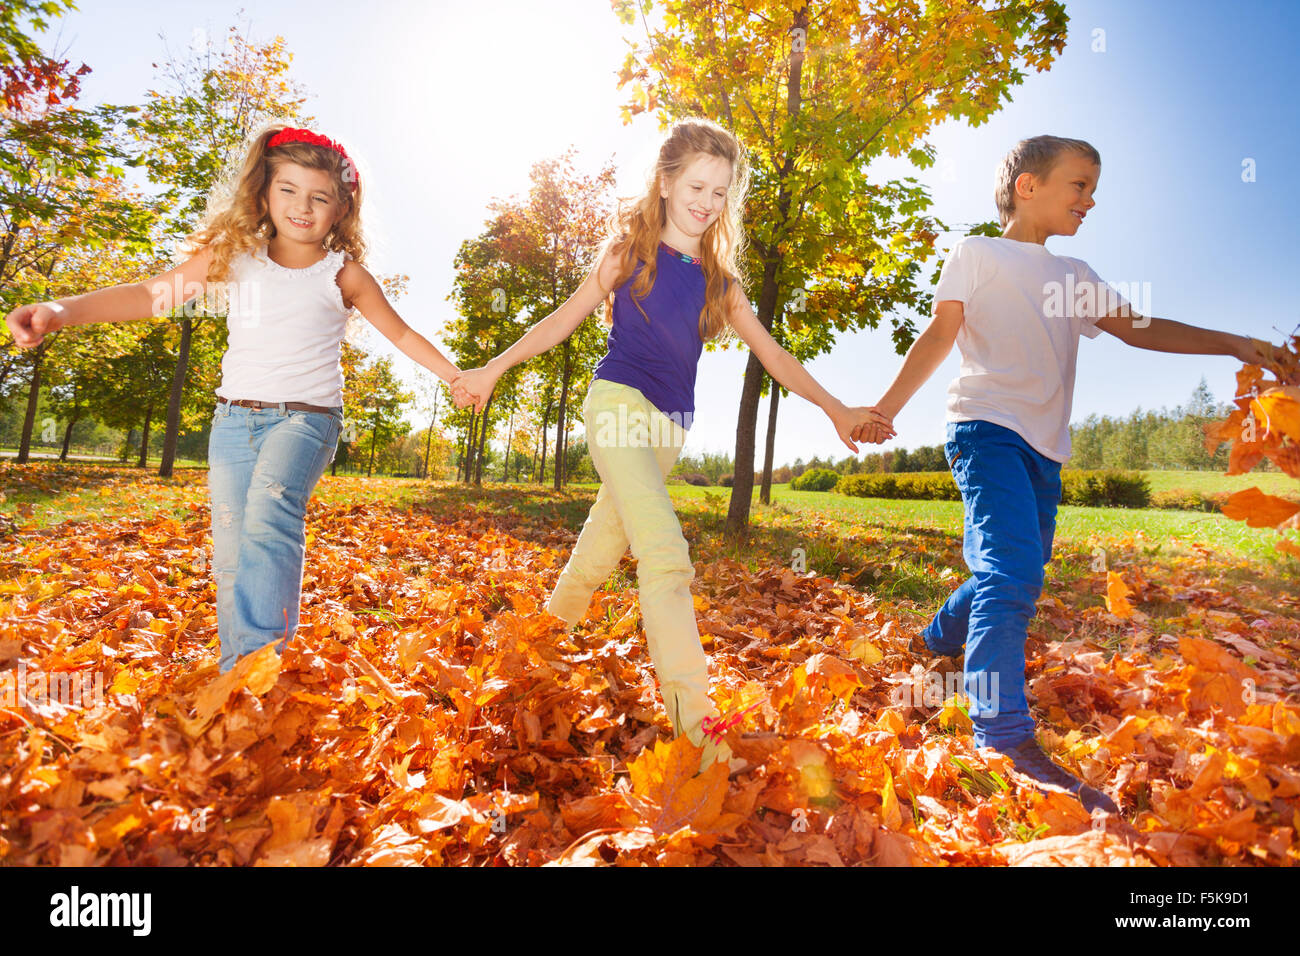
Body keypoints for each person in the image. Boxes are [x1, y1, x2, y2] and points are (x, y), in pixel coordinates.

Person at [452, 117, 891, 771]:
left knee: (598, 553)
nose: (707, 202)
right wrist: (492, 369)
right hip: (618, 408)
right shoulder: (628, 253)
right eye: (697, 185)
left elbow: (773, 354)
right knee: (665, 557)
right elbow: (560, 320)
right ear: (664, 182)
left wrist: (834, 407)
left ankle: (532, 650)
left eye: (721, 192)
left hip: (669, 433)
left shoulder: (720, 281)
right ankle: (701, 738)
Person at [854, 134, 1273, 814]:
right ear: (1027, 185)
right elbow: (939, 333)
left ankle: (933, 640)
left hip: (1045, 448)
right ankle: (1003, 736)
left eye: (1092, 187)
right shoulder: (977, 254)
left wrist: (1230, 342)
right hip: (984, 428)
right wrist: (885, 409)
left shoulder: (1073, 274)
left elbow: (1140, 327)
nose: (1091, 198)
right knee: (1012, 573)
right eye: (1078, 184)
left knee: (1016, 569)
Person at [4, 123, 468, 673]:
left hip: (307, 418)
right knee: (230, 546)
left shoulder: (344, 275)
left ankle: (258, 673)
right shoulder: (236, 258)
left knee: (271, 515)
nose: (303, 206)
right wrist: (61, 312)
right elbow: (153, 295)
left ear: (341, 209)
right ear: (264, 194)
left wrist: (458, 376)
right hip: (233, 420)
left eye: (320, 197)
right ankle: (236, 671)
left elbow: (404, 335)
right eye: (289, 190)